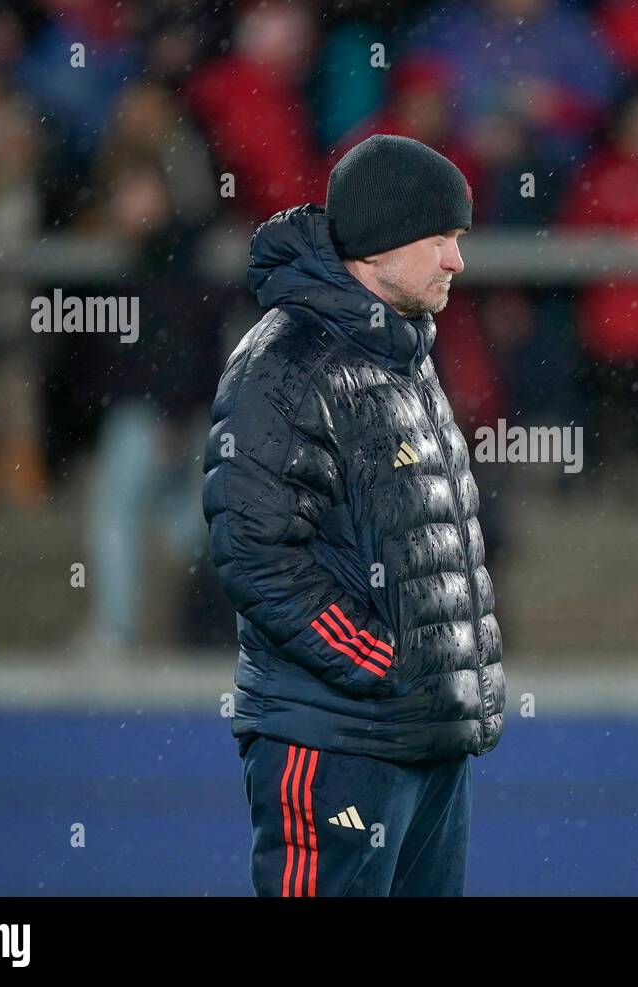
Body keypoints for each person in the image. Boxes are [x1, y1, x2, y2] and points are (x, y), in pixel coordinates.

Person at [202, 135, 506, 897]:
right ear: (378, 246)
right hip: (336, 738)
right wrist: (384, 662)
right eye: (441, 240)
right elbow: (256, 552)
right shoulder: (288, 360)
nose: (455, 262)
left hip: (422, 738)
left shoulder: (404, 354)